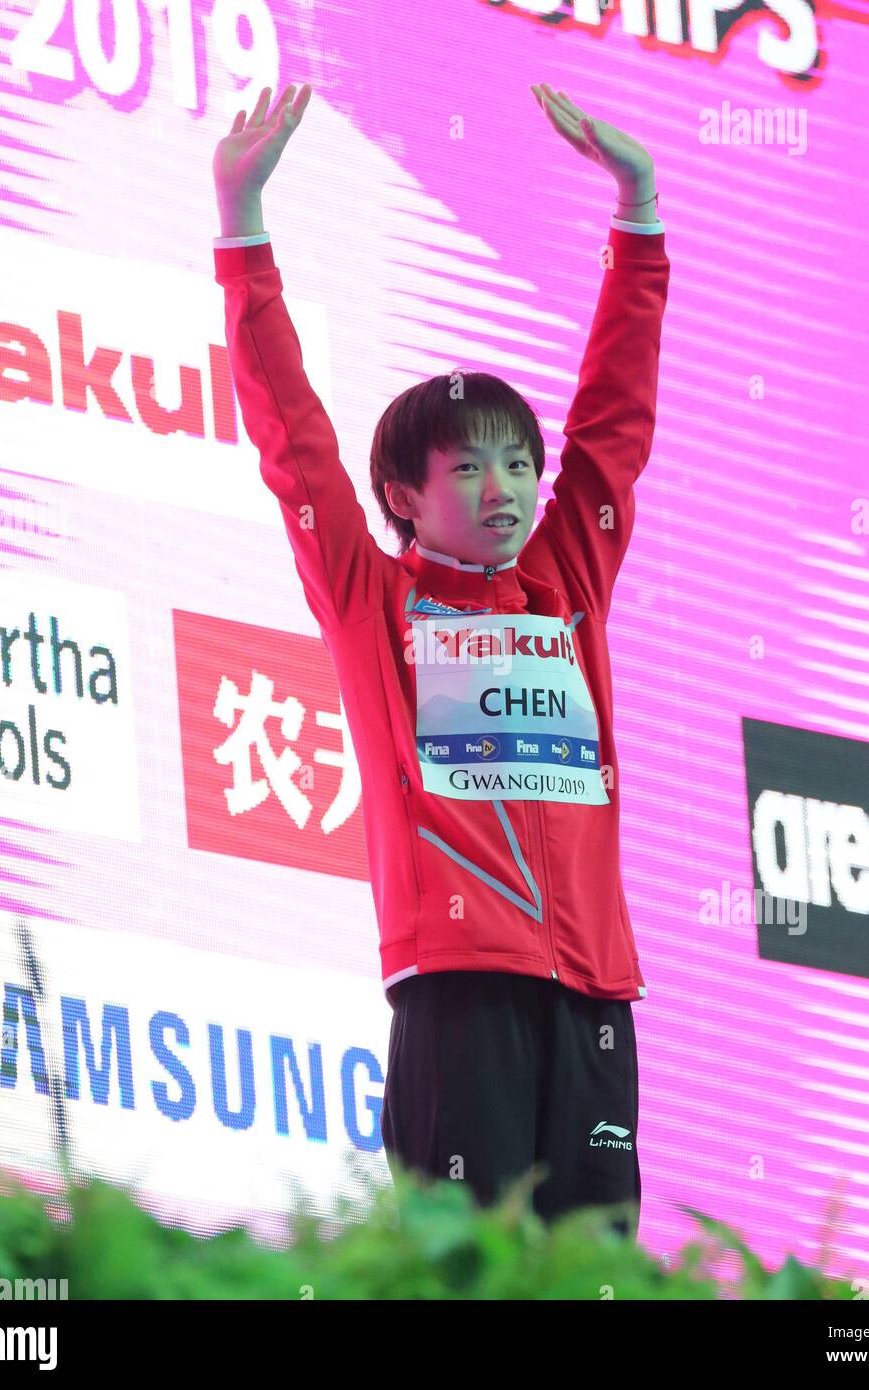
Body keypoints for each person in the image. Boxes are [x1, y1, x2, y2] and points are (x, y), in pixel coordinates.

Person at [211, 81, 670, 1237]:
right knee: (466, 1275)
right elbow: (294, 439)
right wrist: (242, 223)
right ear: (404, 500)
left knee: (592, 1277)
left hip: (597, 997)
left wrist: (640, 211)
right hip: (459, 992)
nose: (505, 487)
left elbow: (610, 424)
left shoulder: (568, 578)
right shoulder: (375, 601)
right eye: (468, 469)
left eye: (516, 464)